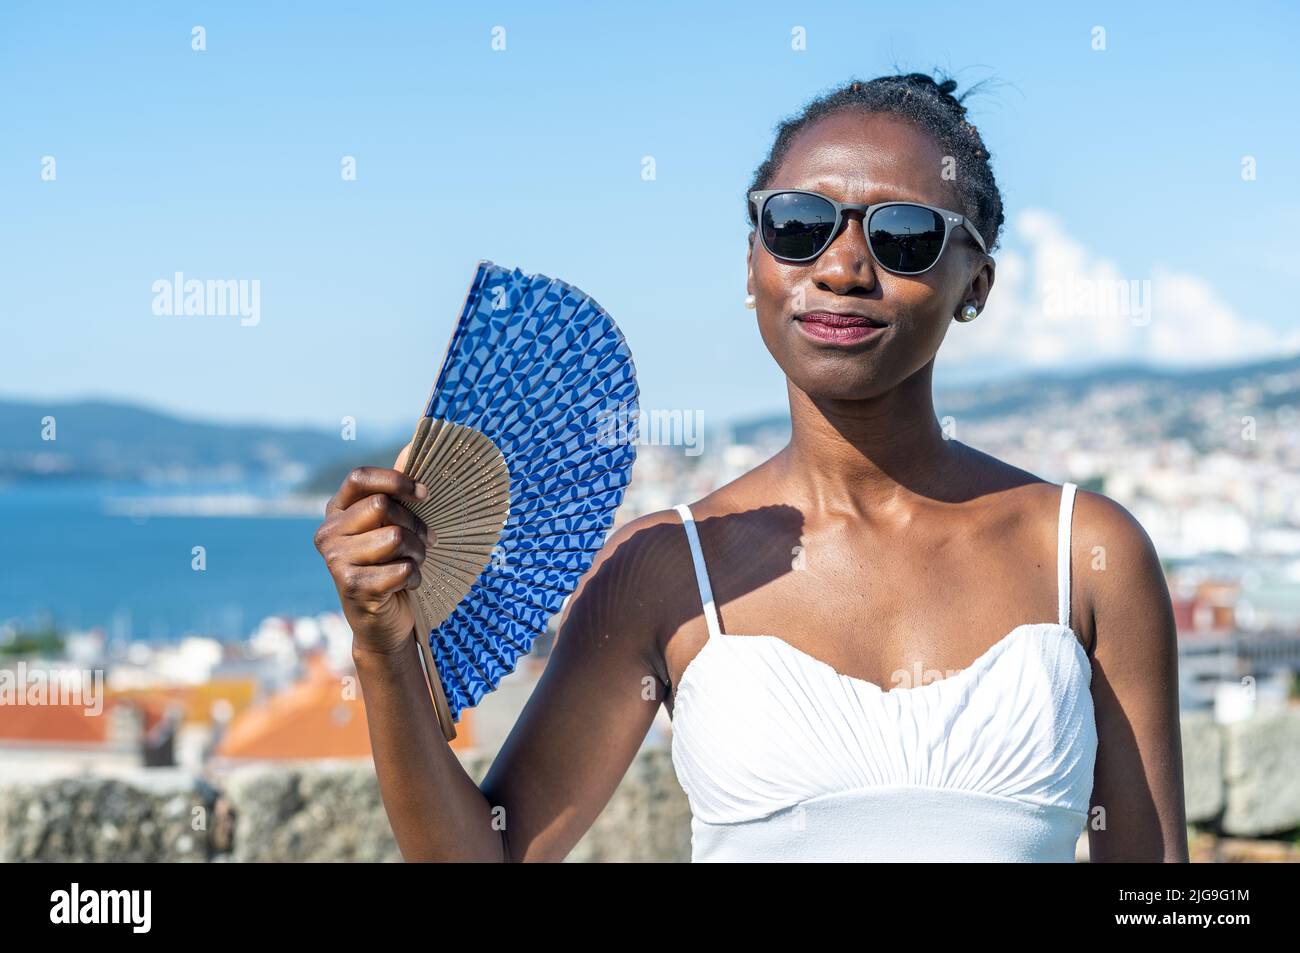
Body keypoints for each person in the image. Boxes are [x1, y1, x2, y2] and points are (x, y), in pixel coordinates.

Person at [313, 71, 1187, 862]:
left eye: (905, 237)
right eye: (800, 225)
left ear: (976, 284)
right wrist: (384, 649)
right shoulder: (660, 569)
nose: (843, 267)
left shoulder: (1088, 551)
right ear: (754, 262)